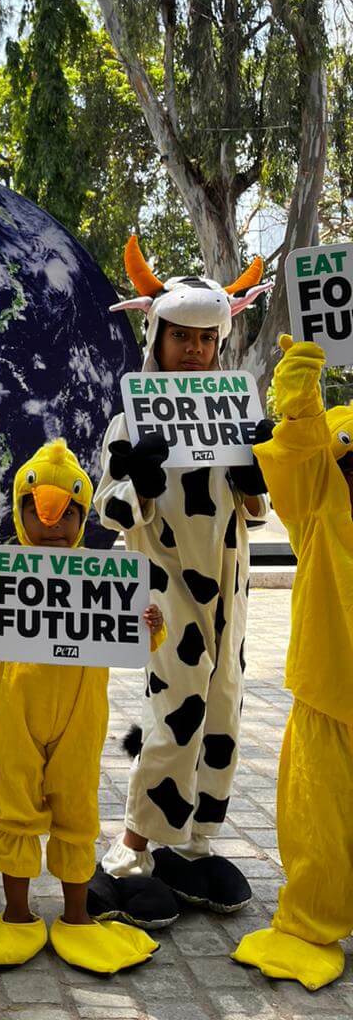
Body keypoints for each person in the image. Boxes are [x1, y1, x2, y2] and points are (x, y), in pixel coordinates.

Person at [89, 236, 271, 928]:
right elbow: (108, 513)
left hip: (230, 588)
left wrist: (258, 474)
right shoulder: (124, 423)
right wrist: (136, 474)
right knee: (177, 715)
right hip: (163, 587)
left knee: (224, 710)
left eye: (205, 339)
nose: (193, 351)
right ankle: (130, 849)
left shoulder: (235, 423)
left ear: (219, 344)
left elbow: (254, 512)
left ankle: (193, 845)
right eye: (180, 337)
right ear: (156, 338)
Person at [0, 439, 164, 973]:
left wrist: (152, 626)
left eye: (68, 515)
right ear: (19, 513)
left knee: (78, 810)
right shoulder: (1, 566)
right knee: (14, 805)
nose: (53, 527)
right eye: (39, 515)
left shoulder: (104, 571)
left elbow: (138, 637)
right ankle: (17, 915)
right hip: (14, 712)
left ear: (83, 517)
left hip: (83, 717)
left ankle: (77, 917)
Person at [232, 336, 353, 990]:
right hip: (328, 695)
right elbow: (303, 448)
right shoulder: (316, 510)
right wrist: (301, 390)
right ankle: (309, 923)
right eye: (350, 463)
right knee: (319, 823)